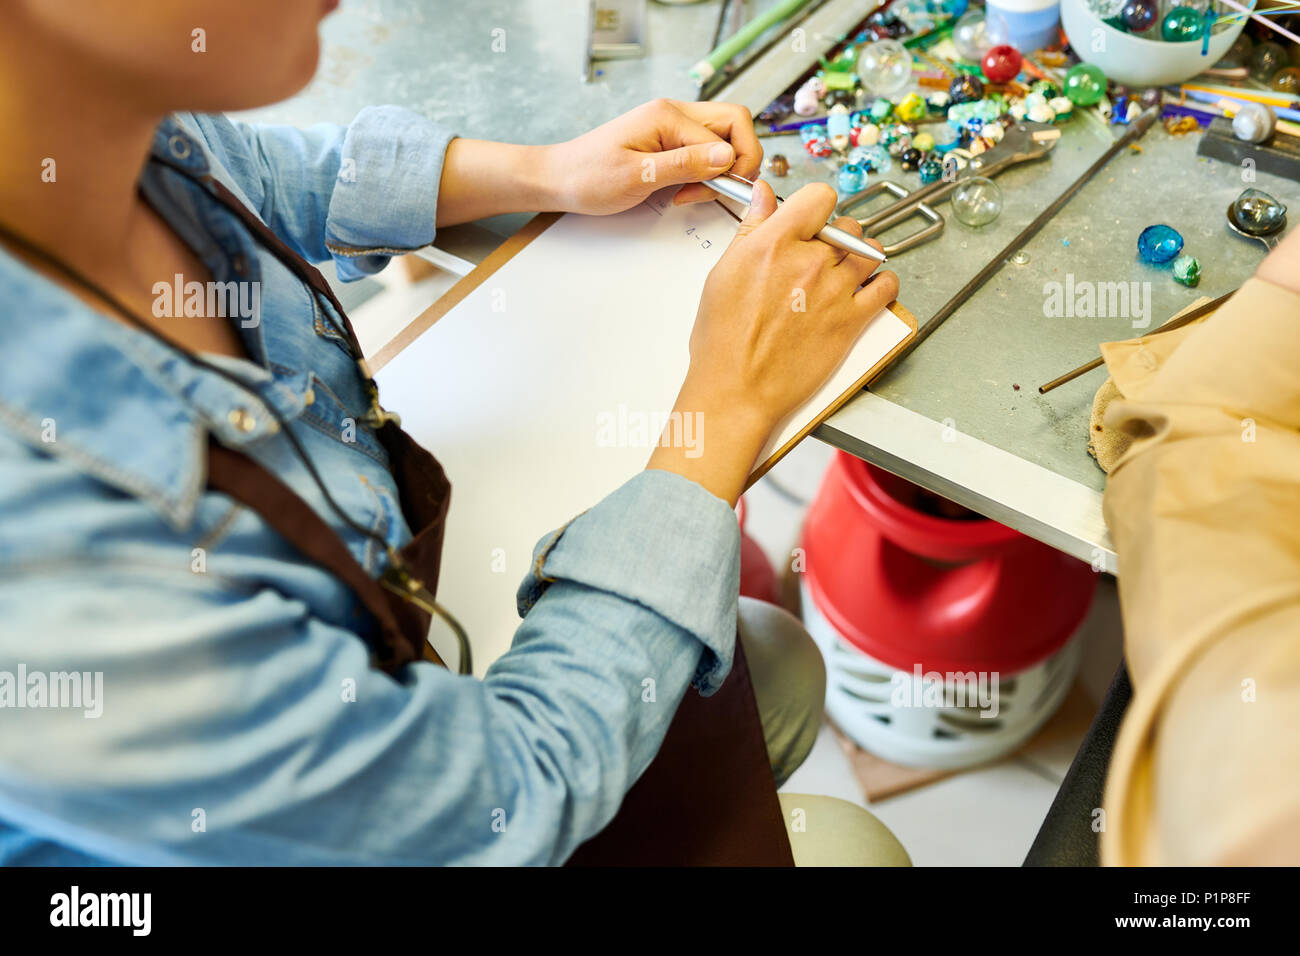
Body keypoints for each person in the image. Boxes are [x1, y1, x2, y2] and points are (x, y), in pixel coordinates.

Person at [0, 0, 904, 864]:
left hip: (405, 661)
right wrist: (726, 403)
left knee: (776, 660)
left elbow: (249, 174)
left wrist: (545, 173)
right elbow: (505, 796)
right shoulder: (50, 591)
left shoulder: (92, 123)